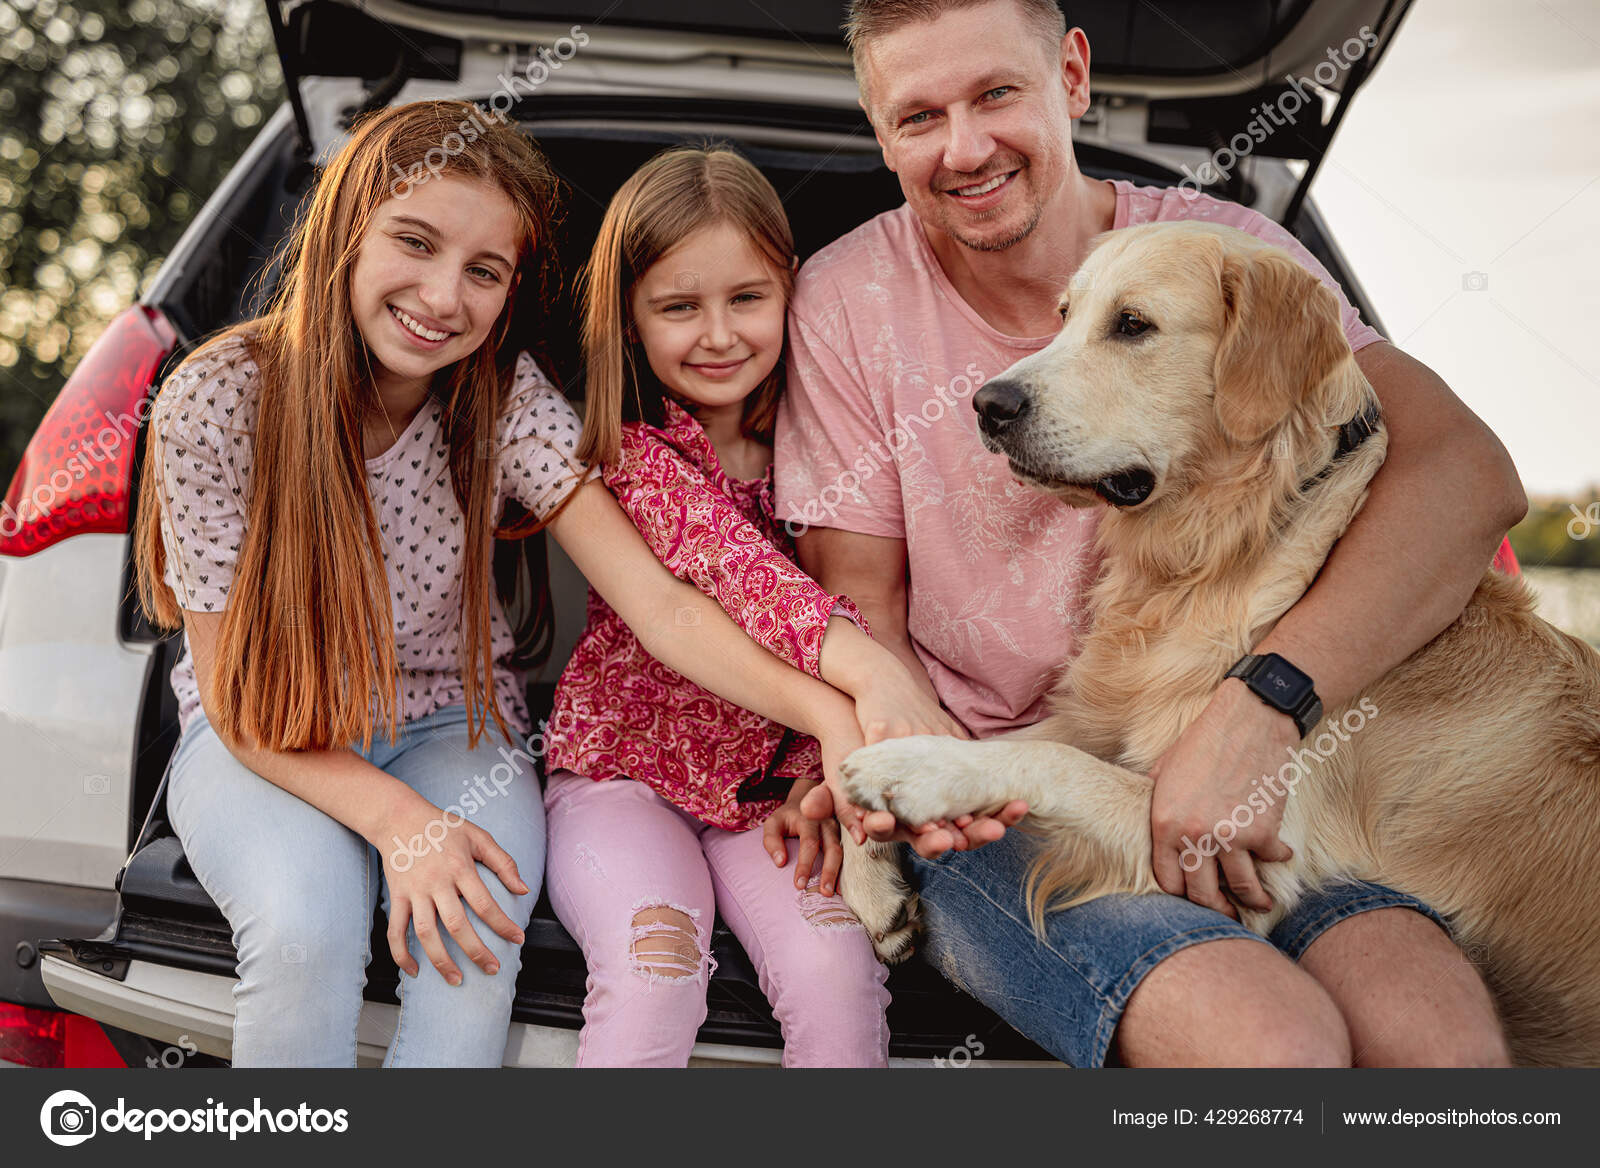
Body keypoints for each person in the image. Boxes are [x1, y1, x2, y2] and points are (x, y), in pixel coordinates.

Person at [780, 0, 1525, 1066]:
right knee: (1276, 1047)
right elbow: (861, 618)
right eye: (919, 116)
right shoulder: (847, 299)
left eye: (996, 93)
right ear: (880, 131)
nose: (965, 148)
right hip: (991, 786)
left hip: (1271, 766)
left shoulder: (1229, 251)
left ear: (1072, 78)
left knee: (1440, 1049)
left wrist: (1263, 708)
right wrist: (890, 779)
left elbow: (1466, 473)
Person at [133, 102, 885, 1067]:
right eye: (415, 242)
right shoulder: (217, 396)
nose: (442, 296)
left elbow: (661, 604)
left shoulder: (506, 401)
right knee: (303, 936)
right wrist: (403, 826)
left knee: (474, 941)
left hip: (453, 727)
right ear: (345, 231)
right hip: (266, 732)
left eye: (484, 271)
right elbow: (236, 699)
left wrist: (828, 715)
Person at [542, 145, 959, 1067]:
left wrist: (818, 772)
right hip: (624, 783)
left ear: (792, 289)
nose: (719, 334)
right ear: (628, 319)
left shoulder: (835, 447)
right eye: (678, 307)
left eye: (747, 298)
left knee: (838, 978)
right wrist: (864, 695)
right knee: (655, 967)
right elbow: (738, 574)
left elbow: (883, 590)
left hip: (771, 801)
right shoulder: (632, 454)